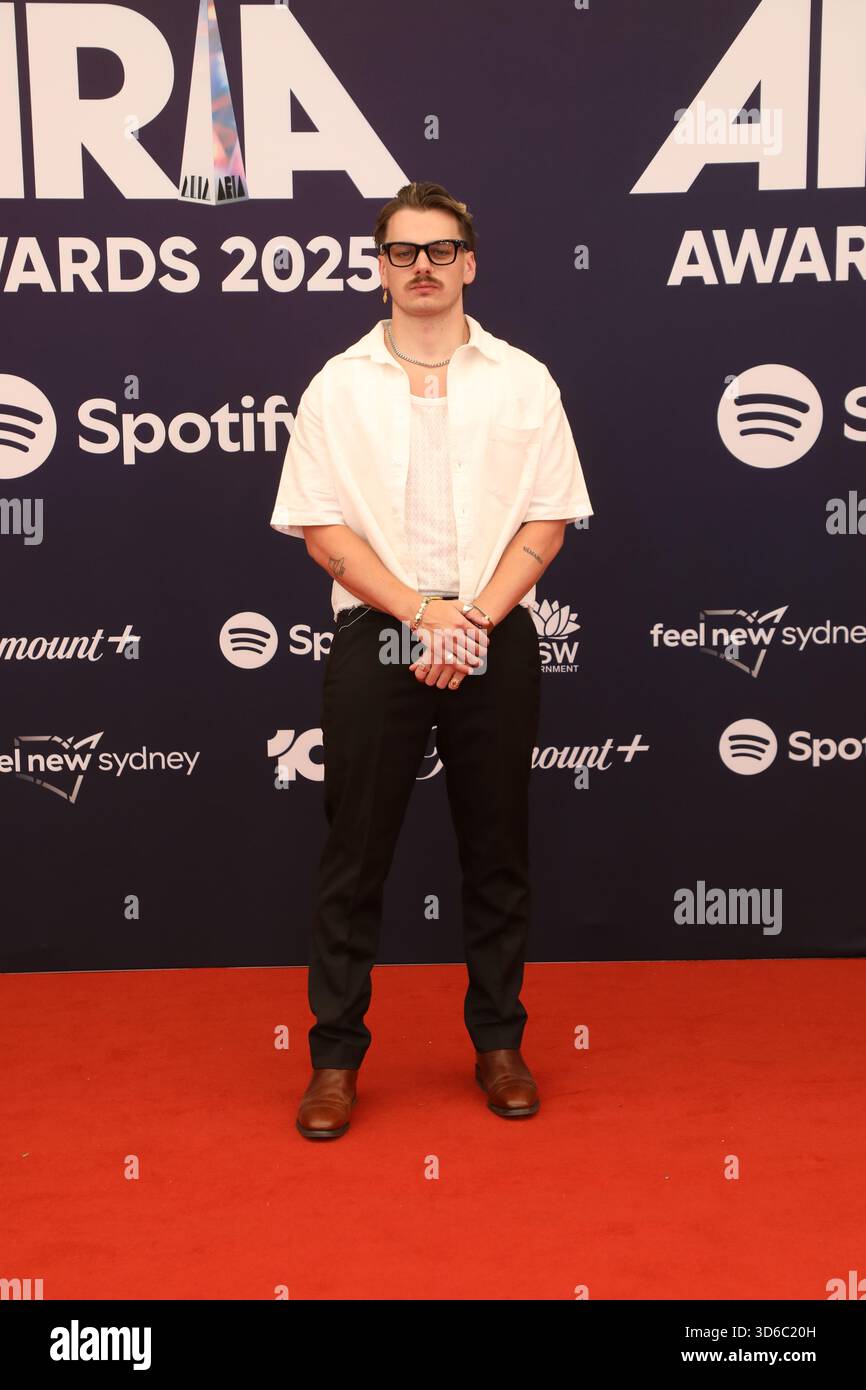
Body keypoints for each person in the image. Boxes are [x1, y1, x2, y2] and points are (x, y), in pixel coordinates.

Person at [270, 180, 593, 1139]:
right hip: (381, 629)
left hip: (495, 626)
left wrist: (473, 621)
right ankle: (333, 1061)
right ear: (379, 269)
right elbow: (317, 526)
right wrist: (422, 616)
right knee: (353, 855)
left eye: (440, 251)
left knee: (497, 852)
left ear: (469, 263)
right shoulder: (336, 384)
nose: (422, 268)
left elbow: (551, 512)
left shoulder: (525, 380)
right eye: (403, 252)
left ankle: (499, 1044)